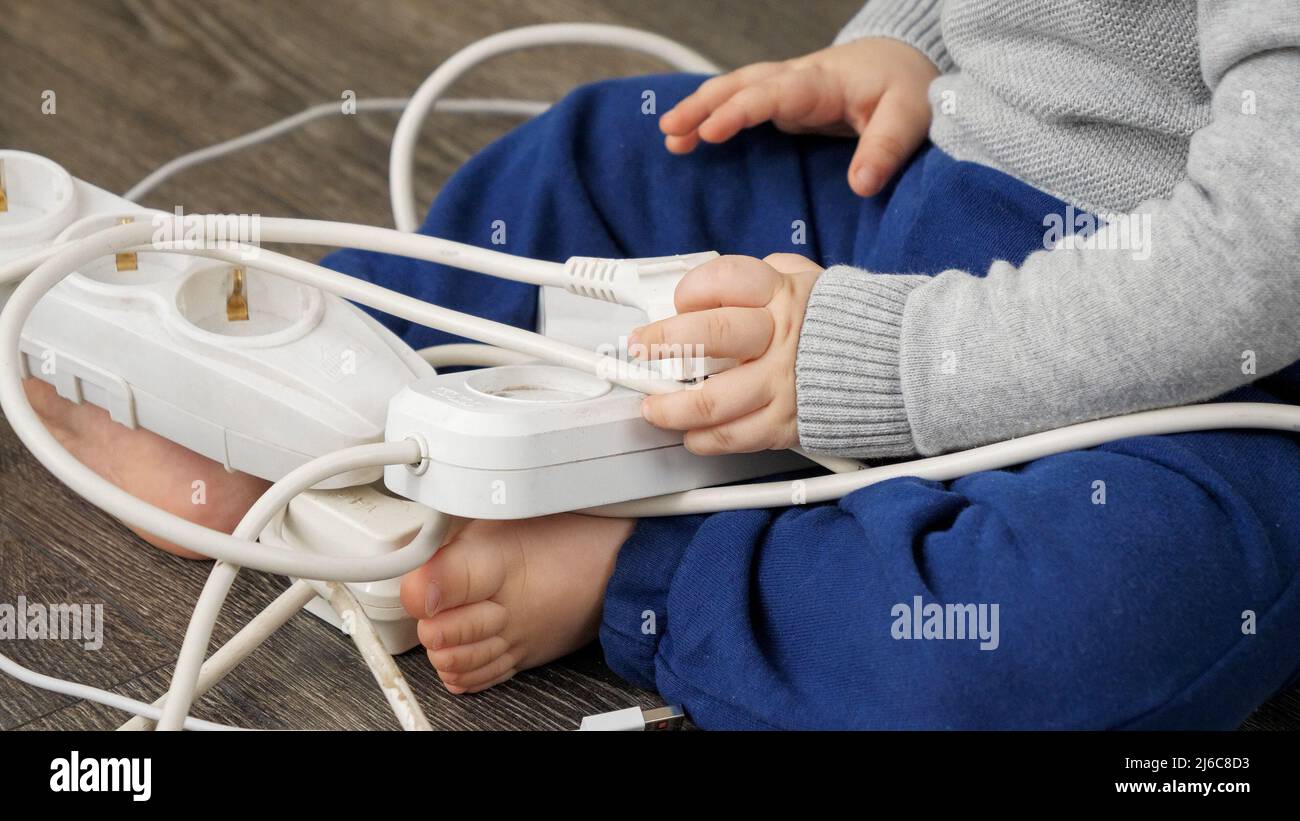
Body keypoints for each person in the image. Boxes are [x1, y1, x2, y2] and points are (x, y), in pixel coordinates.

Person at [28, 1, 1300, 728]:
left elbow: (1262, 255)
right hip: (926, 185)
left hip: (1197, 374)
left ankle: (645, 565)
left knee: (1095, 627)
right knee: (607, 152)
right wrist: (908, 43)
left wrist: (889, 355)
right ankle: (318, 407)